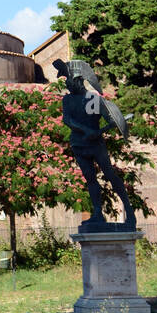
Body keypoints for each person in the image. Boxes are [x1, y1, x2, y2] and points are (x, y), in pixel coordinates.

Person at [53, 59, 136, 229]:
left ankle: (129, 210)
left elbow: (107, 117)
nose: (68, 86)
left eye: (69, 82)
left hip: (96, 144)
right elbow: (67, 120)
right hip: (79, 144)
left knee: (110, 174)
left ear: (77, 80)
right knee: (90, 179)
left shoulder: (93, 99)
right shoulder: (67, 100)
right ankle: (97, 213)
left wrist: (112, 122)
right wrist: (85, 130)